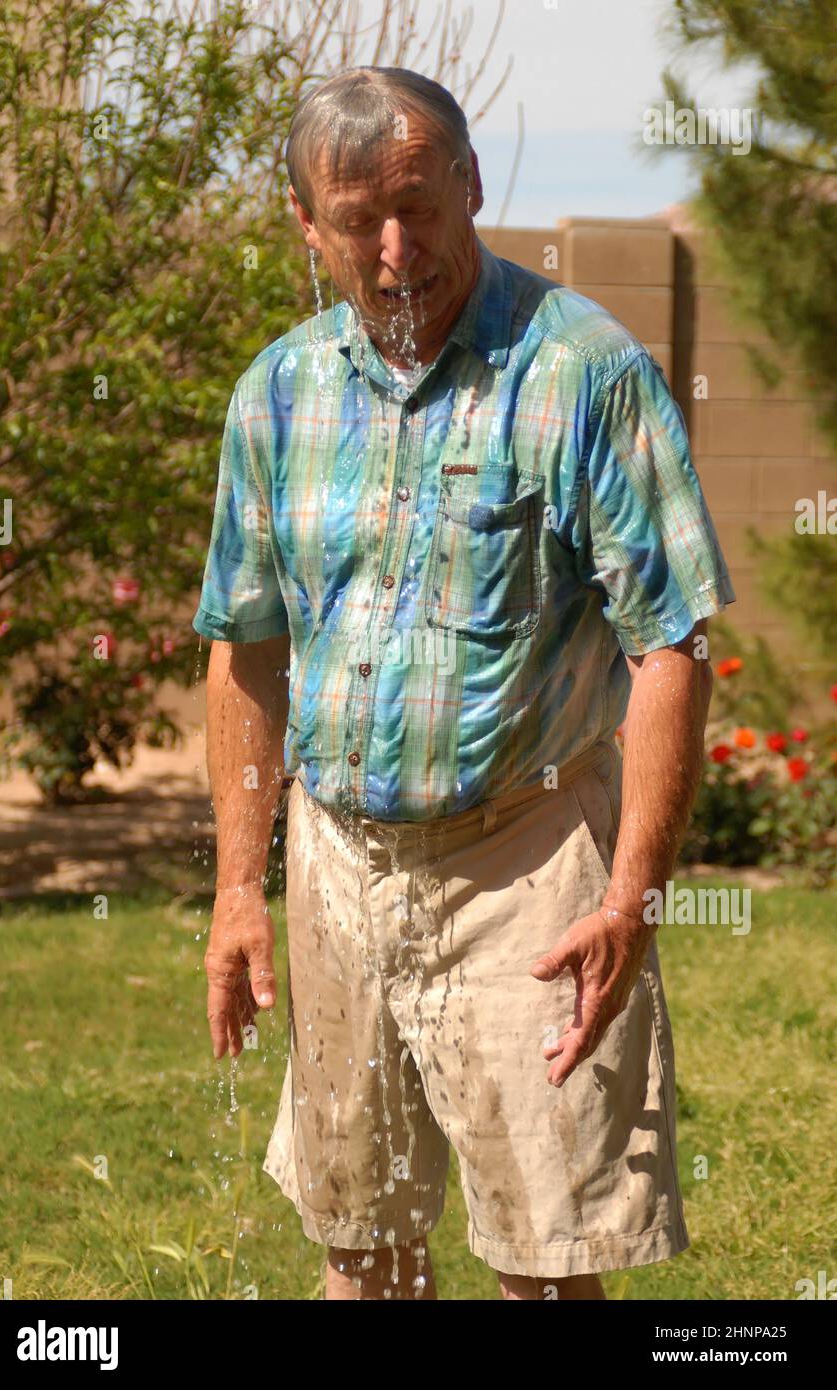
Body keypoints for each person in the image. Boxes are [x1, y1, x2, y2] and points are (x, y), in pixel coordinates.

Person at [191, 66, 736, 1301]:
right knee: (361, 1247)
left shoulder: (586, 374)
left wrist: (637, 891)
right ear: (306, 226)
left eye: (421, 207)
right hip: (340, 868)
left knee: (543, 1265)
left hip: (528, 867)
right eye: (357, 221)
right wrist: (238, 887)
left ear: (471, 185)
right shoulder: (275, 396)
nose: (397, 251)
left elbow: (672, 646)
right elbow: (247, 646)